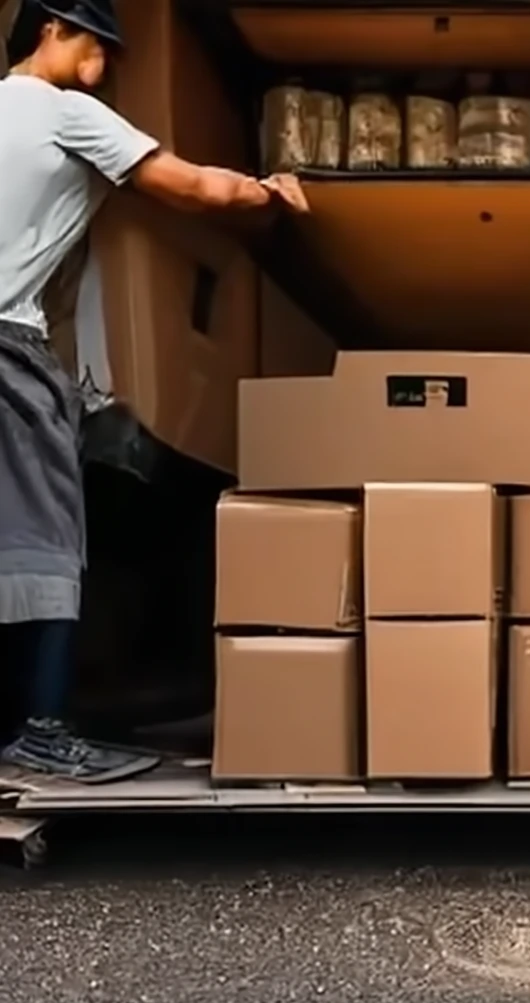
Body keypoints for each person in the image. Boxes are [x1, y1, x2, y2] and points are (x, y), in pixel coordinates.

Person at [0, 0, 308, 782]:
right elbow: (196, 188)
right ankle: (40, 726)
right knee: (49, 543)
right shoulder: (71, 114)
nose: (105, 69)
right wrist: (267, 192)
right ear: (49, 32)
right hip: (8, 348)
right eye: (96, 48)